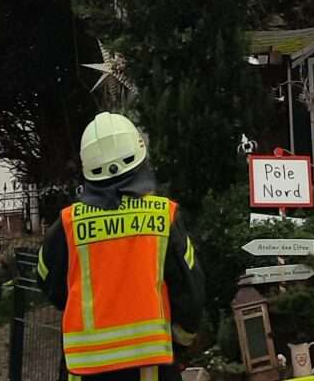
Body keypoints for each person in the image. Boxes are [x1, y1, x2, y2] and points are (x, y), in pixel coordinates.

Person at [37, 113, 203, 381]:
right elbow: (190, 290)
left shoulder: (68, 224)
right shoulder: (164, 217)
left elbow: (49, 282)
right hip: (151, 368)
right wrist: (183, 339)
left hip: (85, 370)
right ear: (140, 158)